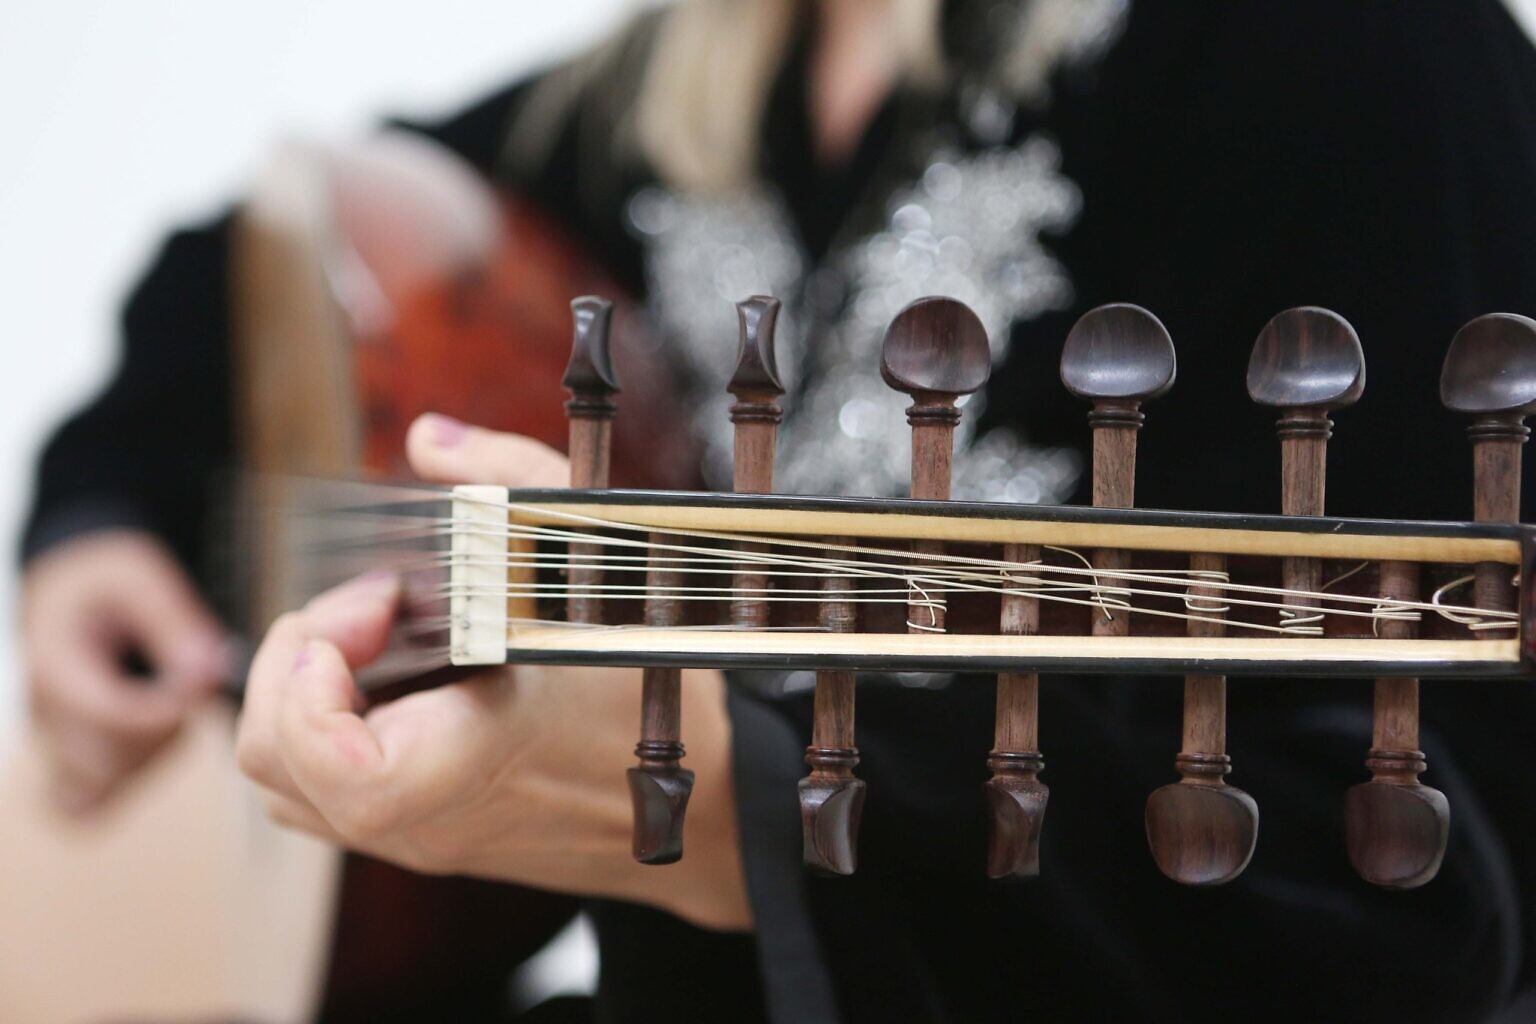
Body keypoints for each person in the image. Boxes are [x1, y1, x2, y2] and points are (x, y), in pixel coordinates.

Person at [23, 0, 1536, 1020]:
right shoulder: (673, 94)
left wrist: (721, 809)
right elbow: (240, 255)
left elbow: (1416, 877)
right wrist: (100, 518)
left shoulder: (1360, 54)